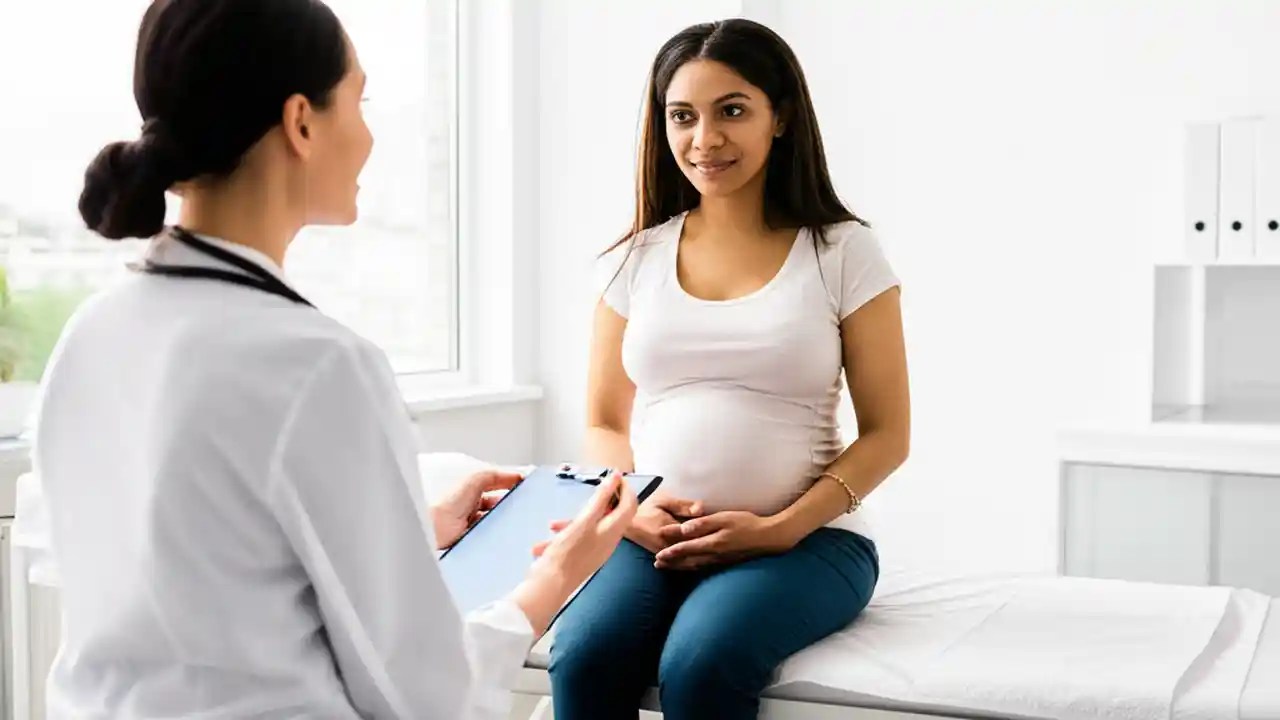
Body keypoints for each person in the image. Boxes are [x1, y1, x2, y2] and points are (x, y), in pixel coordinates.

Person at [33, 1, 636, 717]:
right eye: (360, 98)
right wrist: (552, 582)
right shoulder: (316, 364)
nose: (370, 133)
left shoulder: (91, 333)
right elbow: (422, 696)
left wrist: (405, 531)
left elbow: (203, 573)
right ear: (302, 122)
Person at [548, 18, 911, 720]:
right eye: (682, 116)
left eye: (732, 111)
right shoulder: (634, 259)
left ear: (781, 118)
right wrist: (635, 509)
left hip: (806, 543)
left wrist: (781, 528)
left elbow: (888, 434)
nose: (704, 140)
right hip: (649, 535)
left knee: (702, 662)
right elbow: (599, 420)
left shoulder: (844, 251)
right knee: (586, 654)